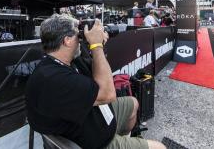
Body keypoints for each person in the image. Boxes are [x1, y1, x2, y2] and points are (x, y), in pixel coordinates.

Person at [27, 14, 166, 149]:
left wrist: (97, 46)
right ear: (67, 40)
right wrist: (96, 45)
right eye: (78, 35)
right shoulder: (54, 79)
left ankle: (121, 137)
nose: (81, 39)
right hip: (95, 141)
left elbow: (97, 76)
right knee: (160, 147)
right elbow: (108, 94)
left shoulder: (59, 63)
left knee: (133, 103)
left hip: (94, 119)